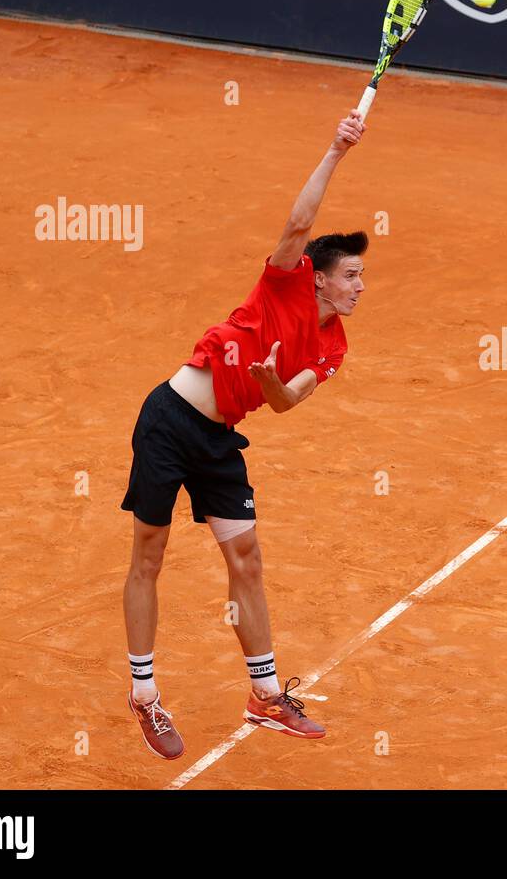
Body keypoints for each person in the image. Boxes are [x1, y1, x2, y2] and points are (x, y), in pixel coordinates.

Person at [119, 109, 368, 759]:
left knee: (247, 559)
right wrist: (336, 149)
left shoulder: (334, 345)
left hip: (220, 441)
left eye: (361, 279)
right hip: (169, 422)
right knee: (149, 556)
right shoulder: (281, 279)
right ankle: (144, 695)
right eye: (350, 276)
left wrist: (268, 383)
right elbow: (300, 222)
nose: (358, 288)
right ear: (317, 276)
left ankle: (264, 697)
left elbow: (288, 403)